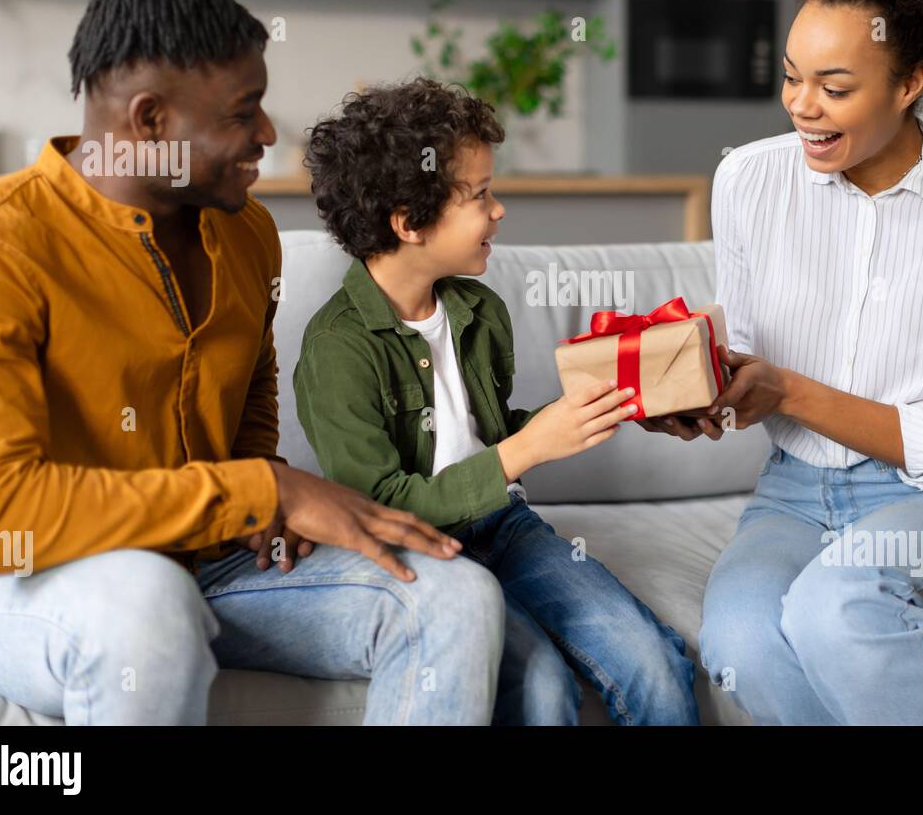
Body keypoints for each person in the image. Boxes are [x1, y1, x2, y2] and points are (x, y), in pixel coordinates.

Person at [0, 0, 506, 725]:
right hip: (19, 584)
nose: (269, 134)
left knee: (456, 593)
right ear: (150, 121)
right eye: (245, 111)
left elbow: (252, 379)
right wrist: (263, 491)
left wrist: (264, 484)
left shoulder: (245, 232)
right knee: (146, 600)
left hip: (212, 560)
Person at [641, 0, 923, 725]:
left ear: (911, 82)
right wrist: (703, 390)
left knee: (839, 610)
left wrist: (786, 390)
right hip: (792, 495)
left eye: (834, 86)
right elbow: (751, 346)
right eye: (790, 78)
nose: (800, 107)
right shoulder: (748, 178)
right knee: (743, 646)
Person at [294, 78, 700, 725]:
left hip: (504, 528)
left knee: (650, 658)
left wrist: (611, 404)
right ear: (409, 223)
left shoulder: (477, 309)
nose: (499, 210)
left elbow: (491, 434)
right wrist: (522, 450)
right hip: (421, 552)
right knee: (540, 694)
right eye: (480, 196)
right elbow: (377, 506)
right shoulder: (338, 349)